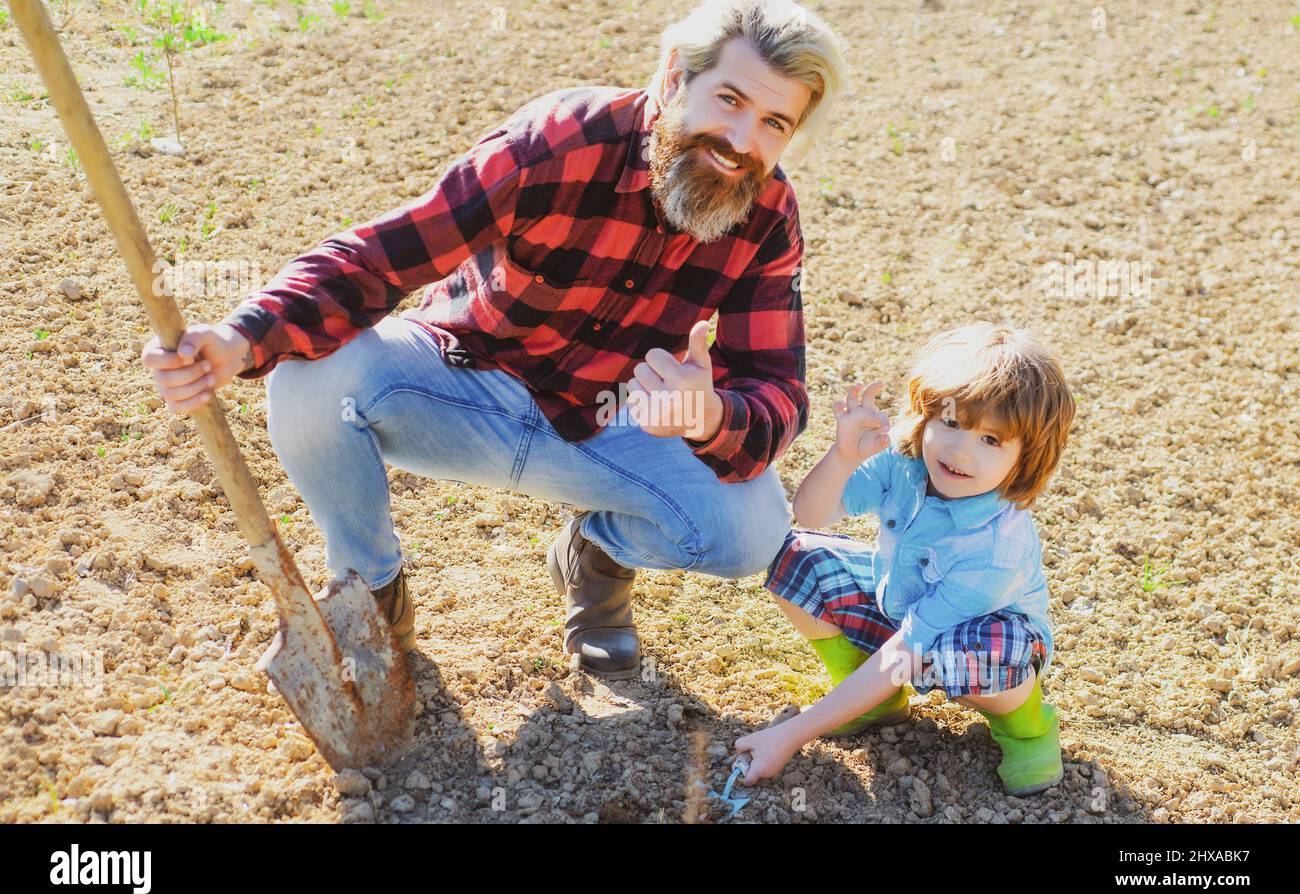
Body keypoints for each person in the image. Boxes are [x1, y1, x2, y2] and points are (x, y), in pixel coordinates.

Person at [140, 0, 847, 680]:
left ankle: (594, 554)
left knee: (750, 530)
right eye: (729, 100)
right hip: (460, 386)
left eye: (774, 123)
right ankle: (372, 595)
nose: (742, 142)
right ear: (673, 75)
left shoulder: (769, 219)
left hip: (606, 426)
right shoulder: (562, 140)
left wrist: (713, 414)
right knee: (309, 376)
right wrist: (240, 337)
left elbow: (777, 388)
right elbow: (382, 256)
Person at [736, 323, 1076, 796]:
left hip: (983, 640)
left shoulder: (997, 548)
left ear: (1027, 458)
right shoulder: (905, 455)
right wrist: (841, 456)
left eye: (991, 440)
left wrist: (791, 734)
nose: (960, 450)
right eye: (952, 423)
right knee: (792, 554)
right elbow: (811, 515)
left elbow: (907, 651)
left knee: (979, 656)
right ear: (926, 414)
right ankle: (871, 701)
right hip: (897, 604)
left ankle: (1027, 726)